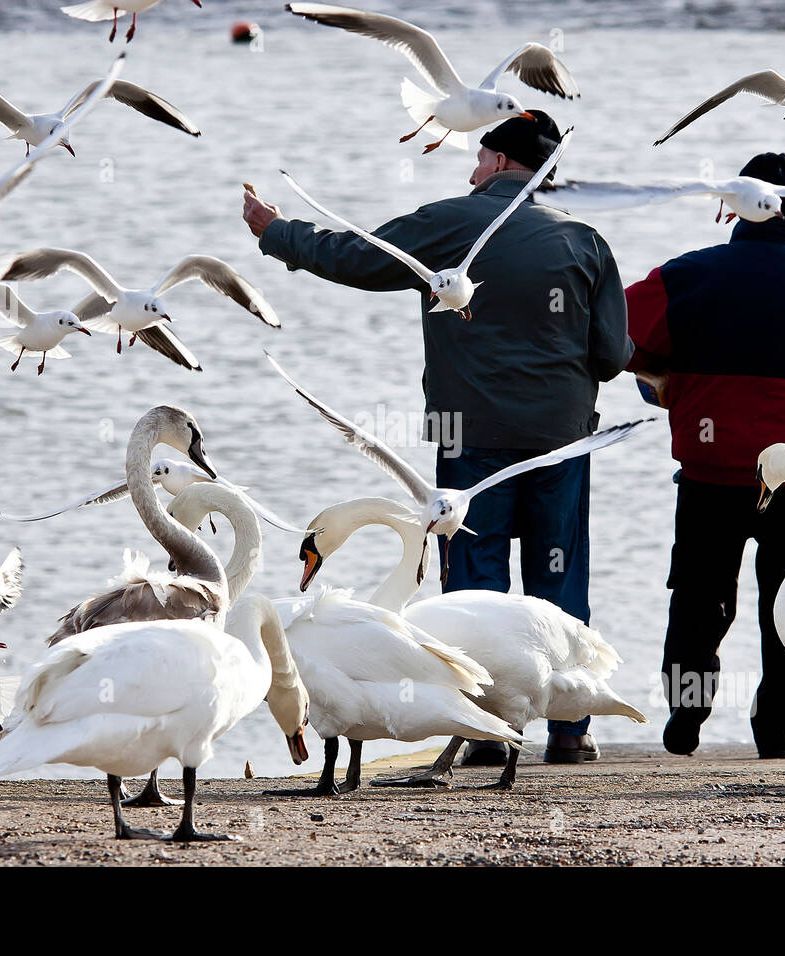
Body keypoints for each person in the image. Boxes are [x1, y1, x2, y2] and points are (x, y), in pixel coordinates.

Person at [242, 111, 631, 764]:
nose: (471, 169)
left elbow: (360, 258)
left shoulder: (452, 222)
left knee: (475, 591)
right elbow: (613, 354)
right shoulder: (584, 240)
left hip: (471, 436)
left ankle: (482, 729)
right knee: (558, 576)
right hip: (562, 438)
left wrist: (277, 232)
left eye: (479, 157)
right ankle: (572, 730)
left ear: (503, 162)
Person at [623, 152, 785, 759]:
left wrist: (660, 377)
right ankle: (781, 733)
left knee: (699, 598)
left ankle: (686, 718)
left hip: (710, 472)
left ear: (732, 207)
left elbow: (615, 334)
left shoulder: (683, 275)